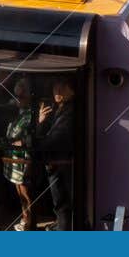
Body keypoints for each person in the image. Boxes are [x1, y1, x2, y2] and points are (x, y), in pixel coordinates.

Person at [35, 76, 76, 230]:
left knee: (62, 202)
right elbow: (44, 134)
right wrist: (41, 121)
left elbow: (55, 138)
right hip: (55, 163)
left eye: (62, 87)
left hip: (63, 164)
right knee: (59, 201)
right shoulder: (57, 108)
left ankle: (63, 229)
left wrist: (29, 144)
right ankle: (60, 225)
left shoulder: (71, 111)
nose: (57, 91)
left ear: (72, 90)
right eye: (55, 87)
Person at [2, 79, 37, 230]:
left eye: (21, 96)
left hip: (24, 159)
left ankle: (29, 222)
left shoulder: (31, 115)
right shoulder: (17, 111)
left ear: (30, 96)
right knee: (20, 192)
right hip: (15, 159)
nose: (18, 99)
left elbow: (30, 138)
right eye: (16, 96)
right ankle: (25, 218)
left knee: (26, 193)